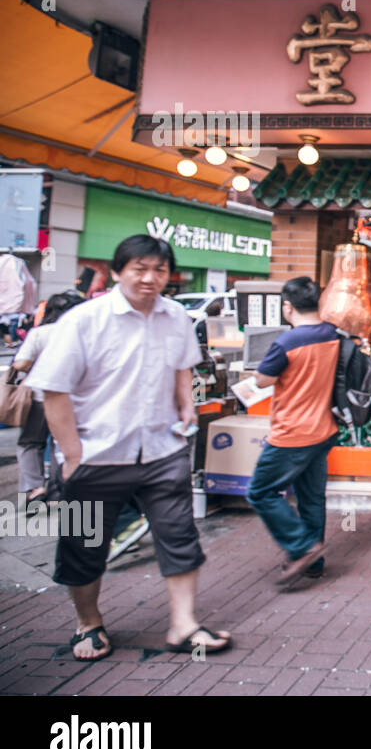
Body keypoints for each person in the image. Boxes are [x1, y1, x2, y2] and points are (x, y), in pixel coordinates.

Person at [25, 235, 232, 661]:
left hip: (161, 449)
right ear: (118, 271)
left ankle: (183, 624)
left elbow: (181, 366)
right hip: (96, 454)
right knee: (84, 545)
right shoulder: (84, 320)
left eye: (159, 269)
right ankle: (88, 624)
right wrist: (73, 454)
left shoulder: (175, 316)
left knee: (178, 536)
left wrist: (186, 407)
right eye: (140, 268)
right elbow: (54, 391)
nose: (150, 278)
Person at [247, 277, 340, 585]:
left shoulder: (286, 343)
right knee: (312, 497)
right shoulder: (333, 335)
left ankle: (302, 547)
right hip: (323, 429)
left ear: (287, 307)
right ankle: (314, 563)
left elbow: (261, 380)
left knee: (260, 491)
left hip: (291, 433)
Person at [12, 291, 84, 511]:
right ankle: (57, 492)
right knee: (60, 443)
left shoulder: (40, 333)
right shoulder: (80, 332)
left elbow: (20, 363)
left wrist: (41, 368)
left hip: (39, 397)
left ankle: (35, 487)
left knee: (30, 443)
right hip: (72, 398)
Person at [0, 252, 37, 347]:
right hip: (13, 316)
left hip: (7, 316)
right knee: (10, 331)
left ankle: (10, 344)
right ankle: (11, 343)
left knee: (7, 332)